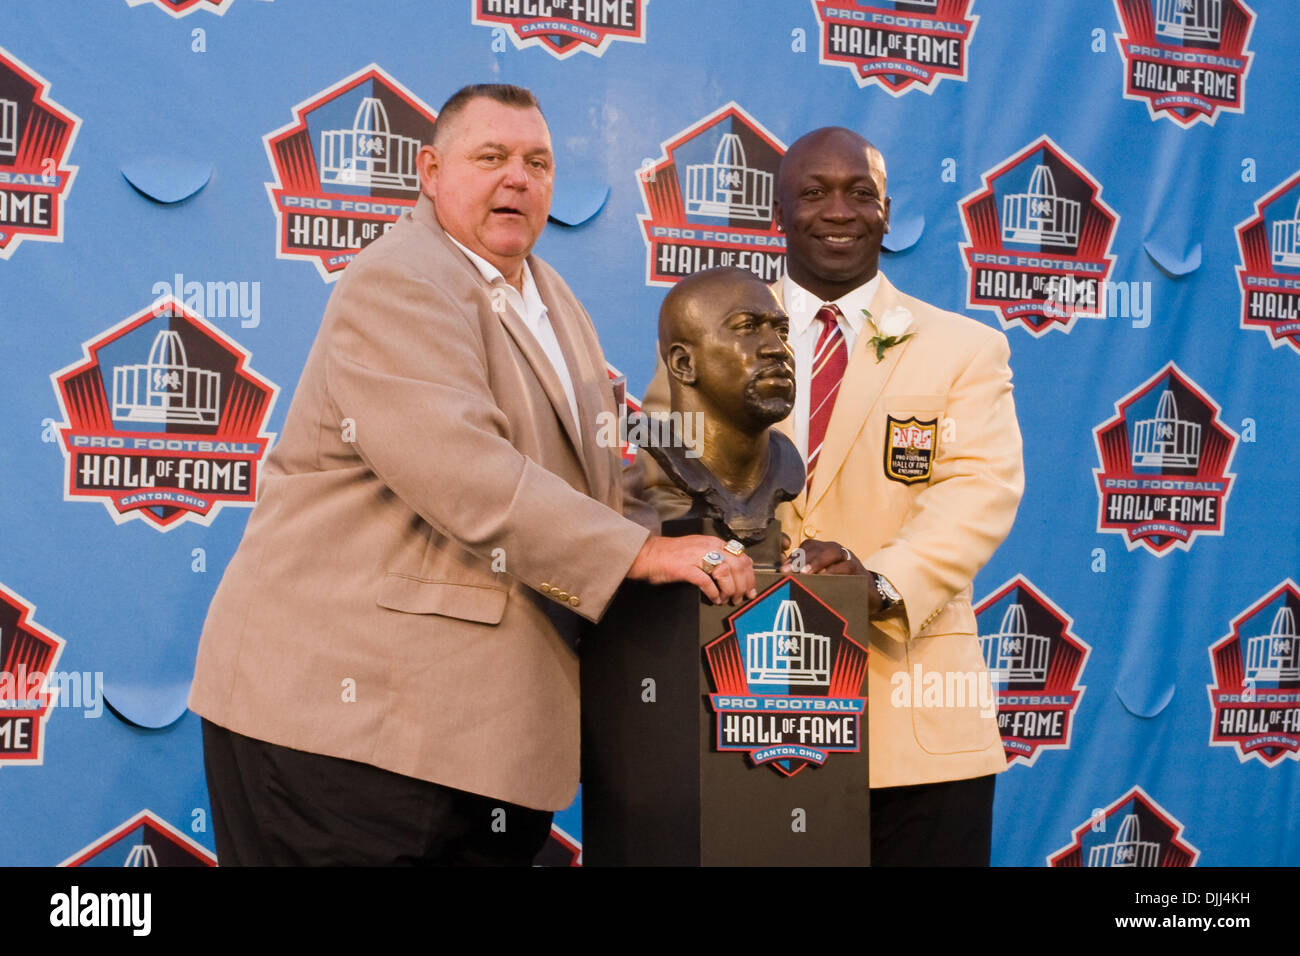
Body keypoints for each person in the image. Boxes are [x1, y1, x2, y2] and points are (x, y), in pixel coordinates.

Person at [188, 83, 754, 866]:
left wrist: (720, 541)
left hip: (476, 745)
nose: (517, 177)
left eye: (537, 161)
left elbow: (595, 474)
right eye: (490, 157)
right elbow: (463, 468)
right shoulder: (399, 279)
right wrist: (636, 554)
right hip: (350, 737)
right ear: (428, 171)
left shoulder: (556, 301)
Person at [638, 126, 1024, 865]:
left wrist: (878, 583)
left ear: (888, 212)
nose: (838, 210)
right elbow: (659, 482)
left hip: (912, 728)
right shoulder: (707, 330)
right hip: (742, 719)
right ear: (778, 212)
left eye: (861, 193)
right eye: (813, 193)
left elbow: (979, 492)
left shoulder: (963, 349)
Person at [643, 266, 803, 550]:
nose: (779, 349)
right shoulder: (661, 459)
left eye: (782, 331)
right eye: (747, 328)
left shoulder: (786, 463)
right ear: (684, 364)